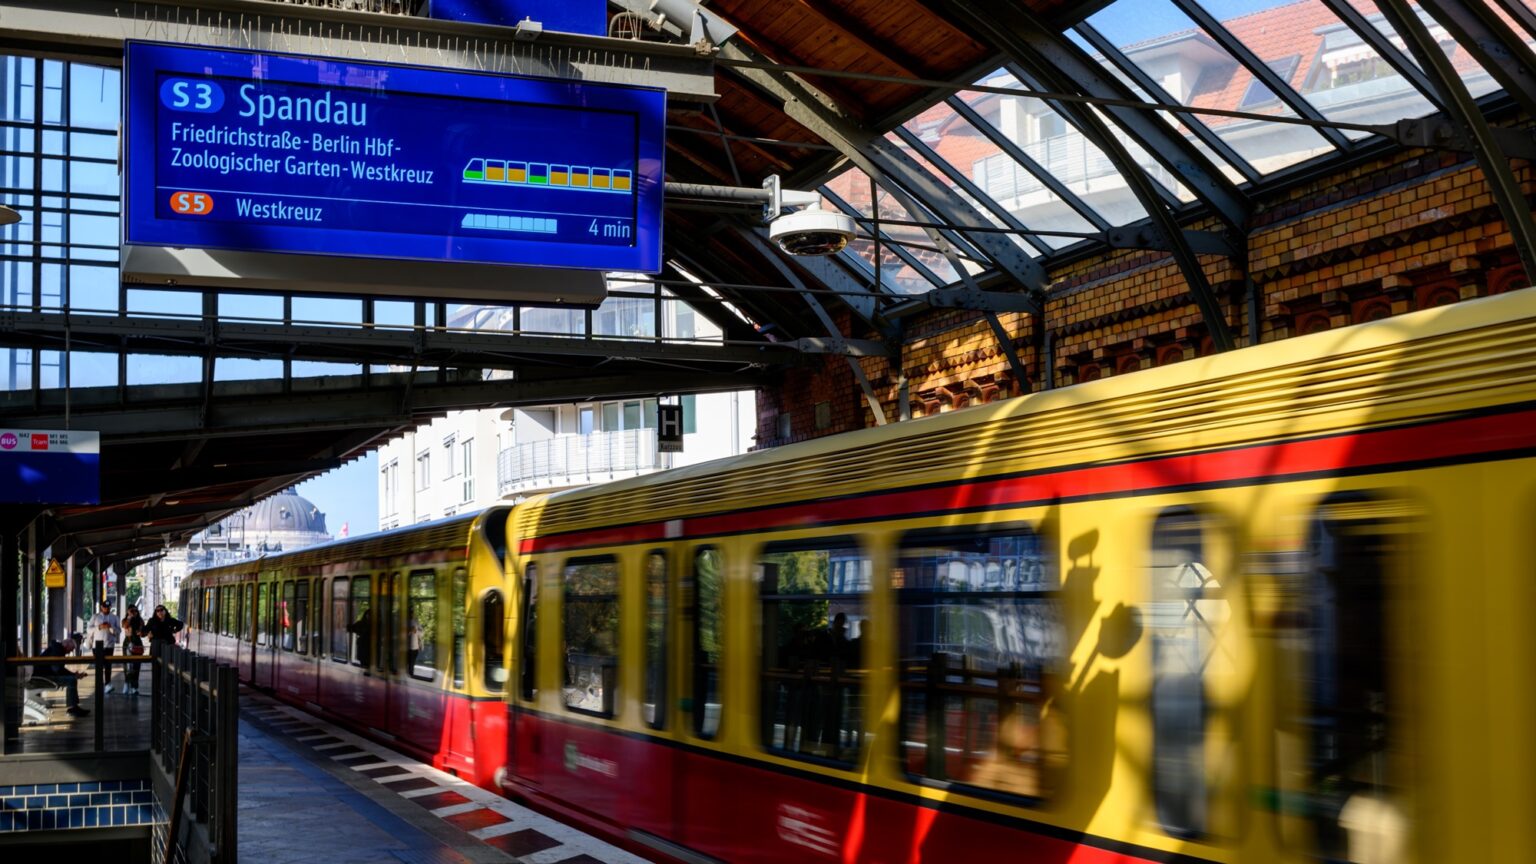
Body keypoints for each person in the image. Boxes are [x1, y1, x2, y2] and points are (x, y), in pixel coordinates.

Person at [36, 636, 89, 717]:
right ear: (66, 645)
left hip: (42, 675)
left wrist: (73, 674)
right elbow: (57, 669)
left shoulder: (56, 648)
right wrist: (73, 675)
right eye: (71, 649)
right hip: (45, 677)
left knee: (72, 679)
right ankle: (72, 708)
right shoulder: (58, 650)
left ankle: (73, 708)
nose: (70, 652)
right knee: (71, 680)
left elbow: (58, 668)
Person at [87, 600, 120, 692]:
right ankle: (99, 685)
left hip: (109, 645)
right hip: (97, 646)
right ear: (101, 607)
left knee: (108, 666)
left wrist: (111, 627)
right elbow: (88, 630)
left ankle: (108, 684)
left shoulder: (114, 617)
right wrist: (99, 627)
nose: (106, 609)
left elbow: (118, 631)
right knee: (99, 667)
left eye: (108, 607)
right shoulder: (95, 617)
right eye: (105, 607)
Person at [121, 605, 145, 696]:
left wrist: (142, 633)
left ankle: (135, 686)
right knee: (127, 665)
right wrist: (130, 617)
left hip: (137, 642)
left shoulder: (140, 620)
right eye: (131, 610)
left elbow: (143, 632)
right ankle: (127, 683)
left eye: (135, 610)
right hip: (128, 642)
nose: (134, 612)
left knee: (136, 665)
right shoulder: (125, 619)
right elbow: (125, 625)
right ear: (128, 611)